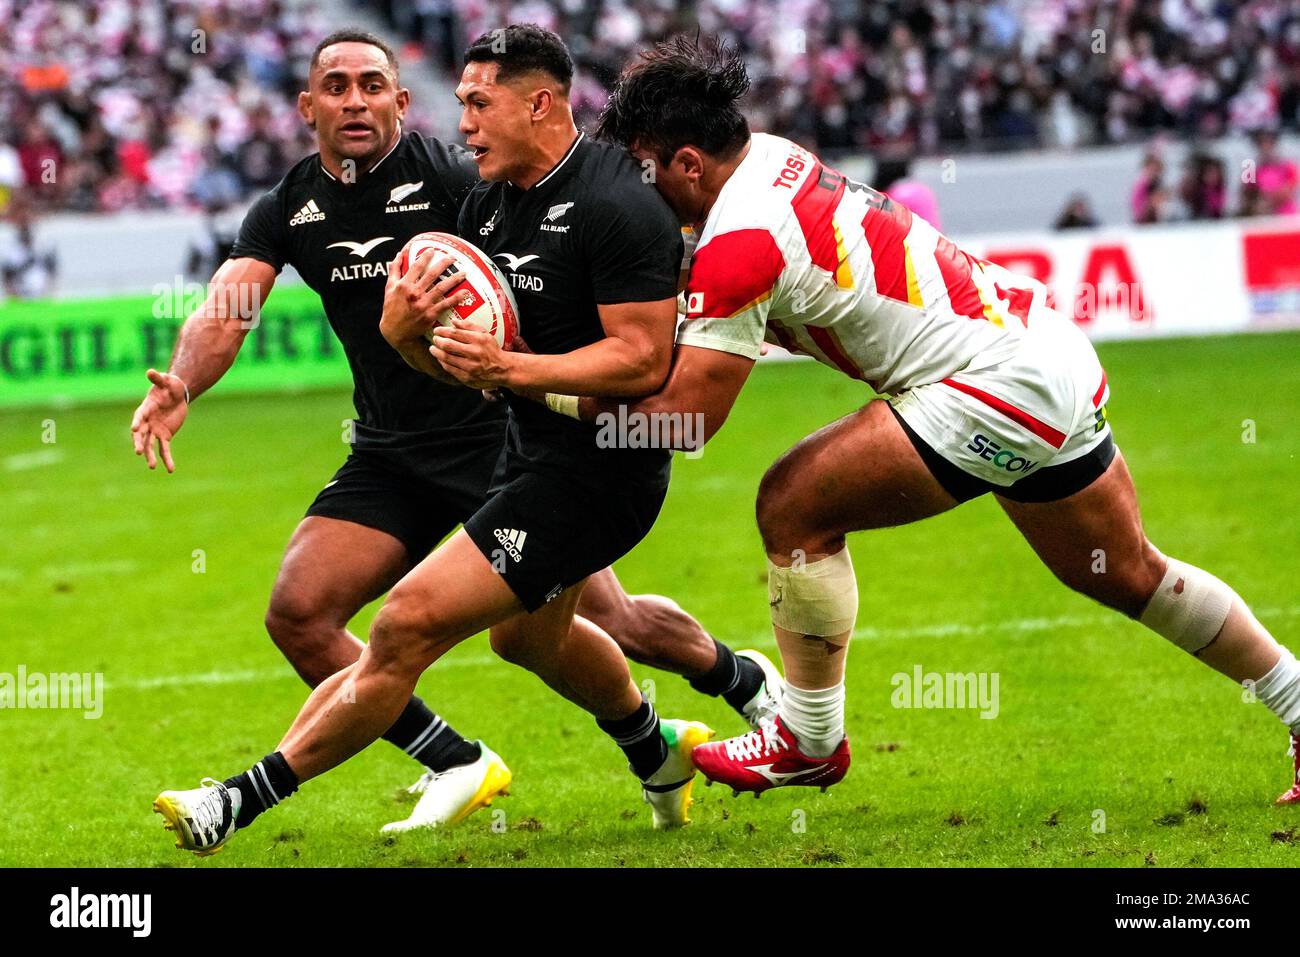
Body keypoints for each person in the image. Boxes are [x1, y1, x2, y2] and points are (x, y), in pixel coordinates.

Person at [522, 34, 1300, 801]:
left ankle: (808, 739)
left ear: (689, 163)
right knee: (1128, 572)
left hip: (991, 383)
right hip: (1043, 352)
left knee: (792, 503)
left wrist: (534, 382)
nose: (639, 196)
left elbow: (684, 423)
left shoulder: (739, 237)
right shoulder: (767, 157)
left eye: (645, 174)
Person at [139, 29, 780, 851]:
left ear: (402, 101)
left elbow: (634, 349)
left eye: (374, 83)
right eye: (335, 86)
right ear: (308, 107)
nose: (356, 100)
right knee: (326, 614)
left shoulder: (473, 179)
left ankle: (731, 680)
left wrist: (516, 365)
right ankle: (528, 755)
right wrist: (188, 381)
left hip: (523, 443)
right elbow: (231, 307)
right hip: (406, 447)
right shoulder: (299, 206)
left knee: (563, 621)